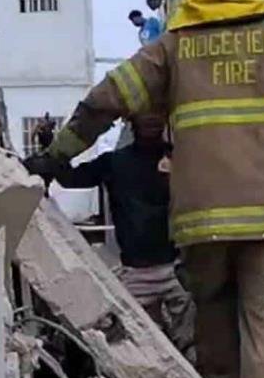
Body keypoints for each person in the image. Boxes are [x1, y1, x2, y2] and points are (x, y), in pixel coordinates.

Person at [26, 0, 264, 378]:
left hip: (205, 226)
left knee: (214, 340)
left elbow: (104, 102)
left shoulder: (171, 50)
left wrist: (54, 158)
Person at [51, 113, 195, 360]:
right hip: (138, 273)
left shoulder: (181, 160)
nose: (151, 121)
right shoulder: (116, 163)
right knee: (142, 351)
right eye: (145, 115)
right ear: (131, 122)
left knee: (191, 349)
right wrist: (53, 150)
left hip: (177, 268)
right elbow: (70, 178)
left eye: (155, 115)